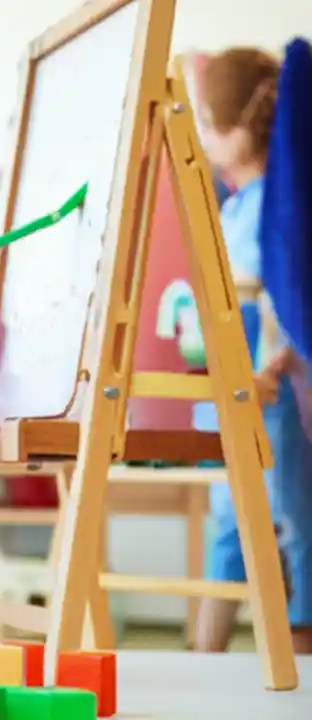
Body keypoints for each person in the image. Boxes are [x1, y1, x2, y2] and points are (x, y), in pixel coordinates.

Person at [192, 47, 312, 654]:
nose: (207, 140)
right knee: (227, 522)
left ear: (243, 128)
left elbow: (285, 293)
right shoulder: (234, 205)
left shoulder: (279, 207)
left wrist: (274, 360)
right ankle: (204, 653)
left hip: (274, 388)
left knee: (293, 515)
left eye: (212, 126)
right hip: (231, 387)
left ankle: (302, 646)